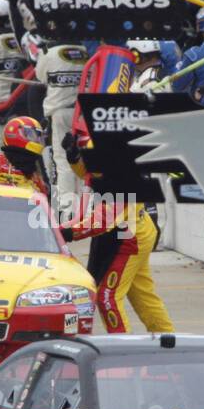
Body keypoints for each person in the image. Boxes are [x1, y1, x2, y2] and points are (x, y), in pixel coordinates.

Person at [62, 131, 174, 334]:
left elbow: (103, 220)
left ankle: (123, 351)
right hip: (133, 229)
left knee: (107, 297)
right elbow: (89, 174)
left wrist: (68, 232)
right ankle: (168, 340)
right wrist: (74, 157)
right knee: (143, 295)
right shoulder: (112, 164)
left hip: (129, 238)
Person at [35, 39, 88, 204]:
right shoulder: (84, 50)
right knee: (82, 161)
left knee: (63, 163)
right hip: (83, 114)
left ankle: (66, 210)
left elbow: (40, 76)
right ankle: (83, 209)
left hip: (60, 114)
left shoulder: (48, 51)